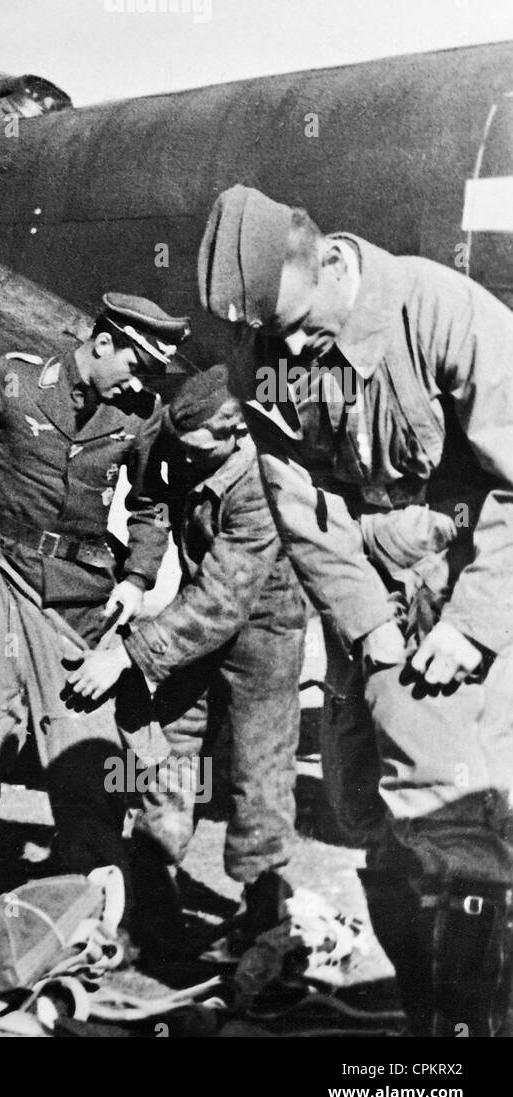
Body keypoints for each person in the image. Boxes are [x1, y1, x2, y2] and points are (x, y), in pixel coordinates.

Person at [197, 183, 513, 1035]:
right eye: (270, 338)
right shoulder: (265, 346)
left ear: (332, 260)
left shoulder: (442, 310)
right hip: (367, 610)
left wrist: (473, 625)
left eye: (299, 326)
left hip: (466, 588)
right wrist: (366, 622)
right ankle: (425, 1028)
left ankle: (464, 1036)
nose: (289, 350)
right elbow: (297, 503)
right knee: (366, 817)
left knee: (454, 825)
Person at [0, 293, 190, 918]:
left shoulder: (141, 416)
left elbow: (152, 506)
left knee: (86, 772)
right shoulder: (16, 381)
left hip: (78, 605)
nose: (141, 381)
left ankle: (85, 925)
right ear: (104, 343)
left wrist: (138, 578)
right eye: (136, 364)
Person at [65, 364, 308, 945]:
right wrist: (137, 575)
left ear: (236, 433)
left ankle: (263, 915)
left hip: (263, 633)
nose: (187, 459)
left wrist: (129, 654)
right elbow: (148, 498)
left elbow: (224, 600)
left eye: (199, 454)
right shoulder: (170, 434)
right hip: (193, 623)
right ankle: (152, 898)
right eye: (181, 447)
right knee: (171, 756)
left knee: (259, 773)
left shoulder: (262, 482)